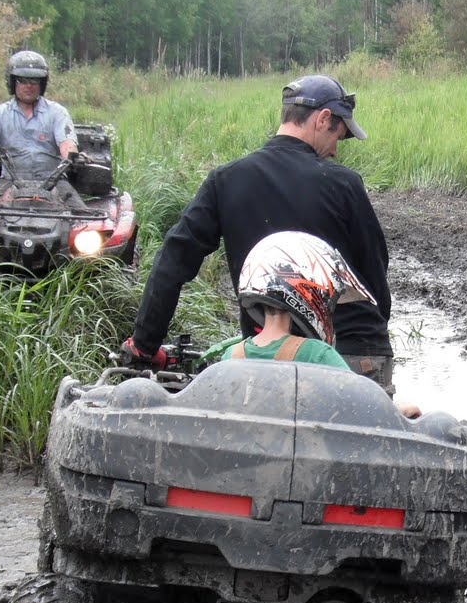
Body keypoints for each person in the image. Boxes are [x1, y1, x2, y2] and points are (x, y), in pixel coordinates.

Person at [124, 74, 396, 393]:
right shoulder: (344, 184)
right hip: (352, 352)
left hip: (266, 355)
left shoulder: (225, 180)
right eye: (339, 134)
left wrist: (144, 344)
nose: (335, 150)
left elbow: (172, 261)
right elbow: (375, 281)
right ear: (323, 119)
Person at [218, 231, 421, 418]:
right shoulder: (316, 354)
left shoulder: (231, 356)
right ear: (308, 290)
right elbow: (363, 406)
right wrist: (400, 408)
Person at [0, 50, 78, 179]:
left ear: (42, 84)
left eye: (34, 80)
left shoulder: (58, 112)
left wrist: (71, 155)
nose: (29, 85)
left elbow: (67, 144)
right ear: (12, 82)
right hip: (9, 181)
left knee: (74, 200)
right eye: (22, 80)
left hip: (53, 180)